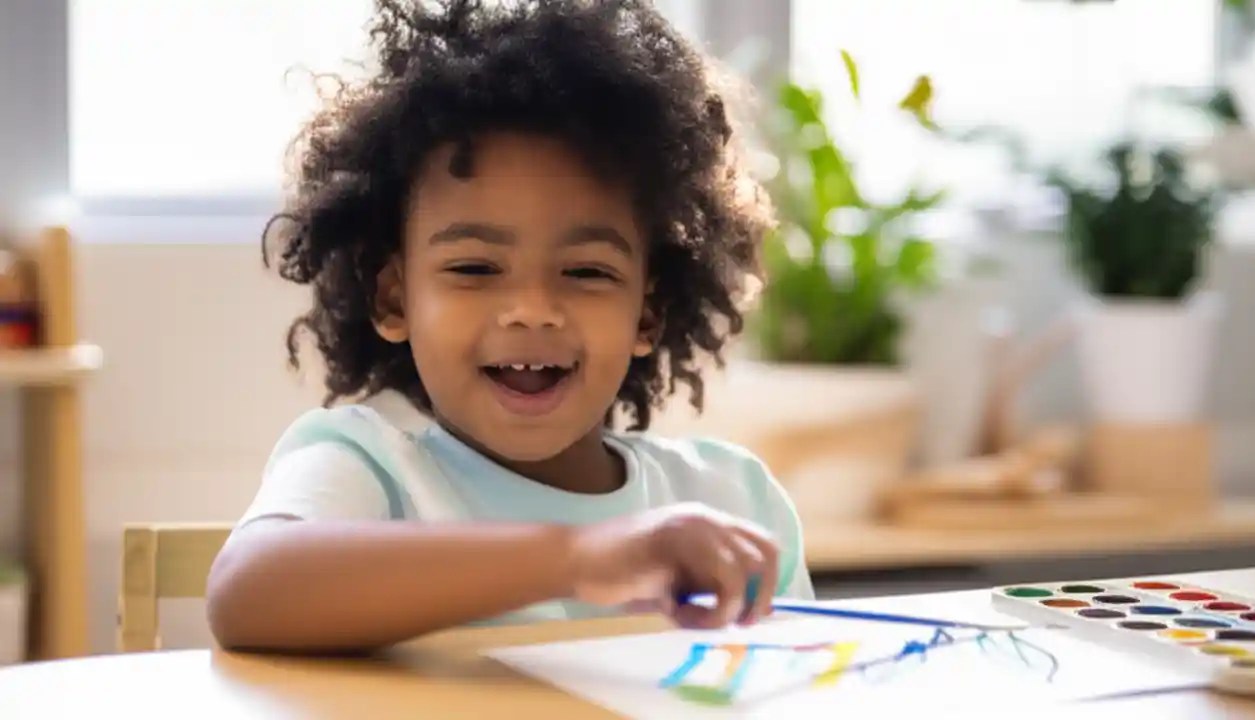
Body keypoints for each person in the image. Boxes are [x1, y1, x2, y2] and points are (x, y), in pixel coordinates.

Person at [207, 0, 814, 653]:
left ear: (647, 313)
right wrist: (579, 556)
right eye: (474, 267)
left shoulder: (734, 501)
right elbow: (249, 593)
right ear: (392, 299)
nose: (531, 308)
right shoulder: (370, 467)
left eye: (585, 272)